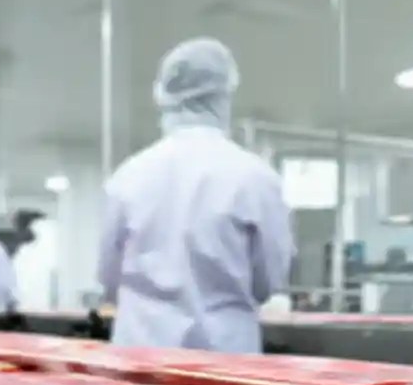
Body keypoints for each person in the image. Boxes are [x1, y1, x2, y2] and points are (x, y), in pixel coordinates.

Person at [97, 38, 294, 353]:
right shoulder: (255, 178)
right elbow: (268, 282)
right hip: (224, 357)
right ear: (224, 94)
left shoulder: (128, 176)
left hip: (141, 354)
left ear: (163, 94)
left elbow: (108, 277)